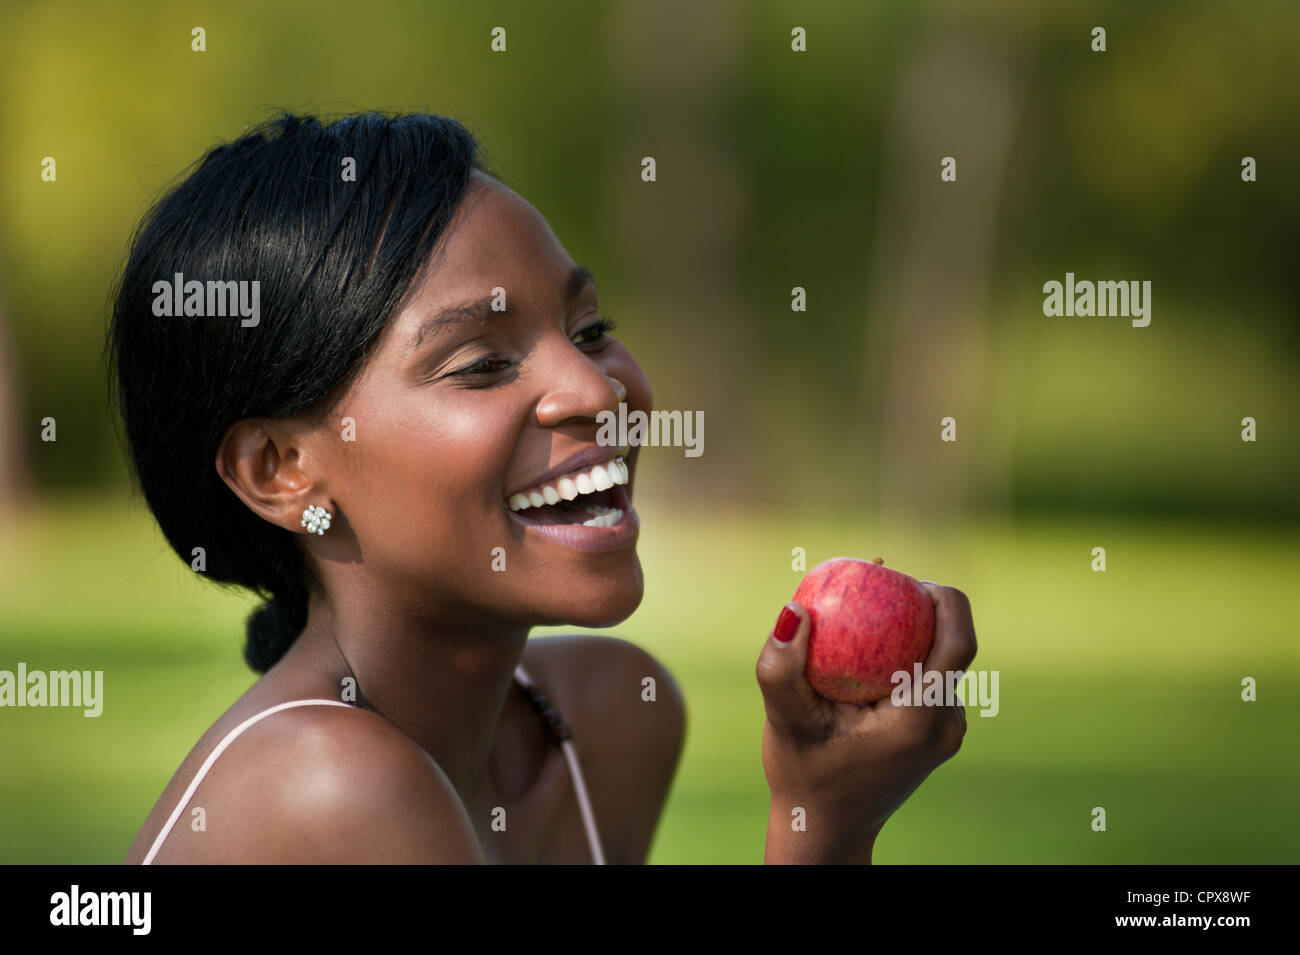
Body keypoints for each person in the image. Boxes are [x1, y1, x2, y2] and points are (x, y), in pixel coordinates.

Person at [108, 111, 975, 865]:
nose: (598, 391)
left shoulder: (606, 719)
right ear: (281, 470)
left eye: (590, 328)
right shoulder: (330, 784)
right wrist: (820, 824)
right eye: (482, 364)